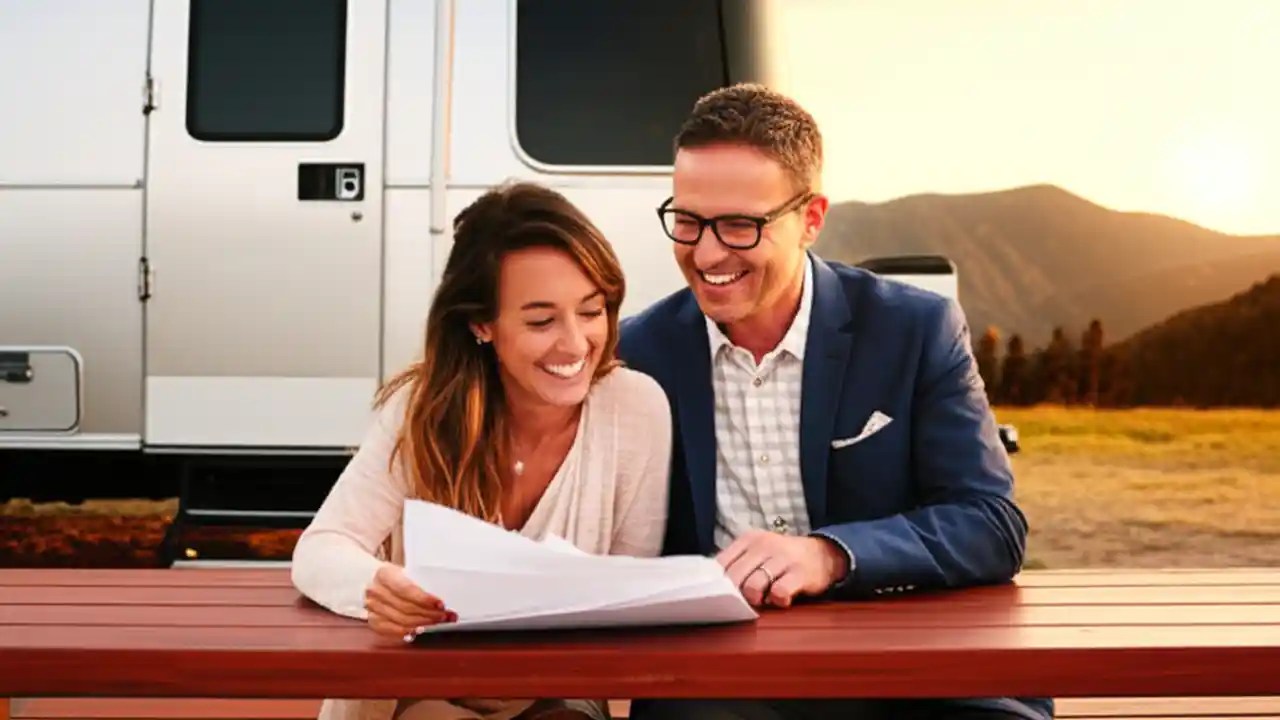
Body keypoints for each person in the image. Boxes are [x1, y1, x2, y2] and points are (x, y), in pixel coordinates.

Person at [617, 84, 1054, 720]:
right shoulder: (640, 352)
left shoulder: (914, 328)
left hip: (912, 659)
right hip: (726, 682)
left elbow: (989, 524)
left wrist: (830, 554)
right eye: (687, 221)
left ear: (812, 218)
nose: (706, 253)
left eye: (740, 225)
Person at [292, 181, 673, 720]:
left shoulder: (637, 408)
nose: (575, 343)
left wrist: (529, 675)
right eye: (542, 321)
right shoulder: (422, 407)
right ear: (480, 324)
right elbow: (321, 548)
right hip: (417, 684)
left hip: (557, 689)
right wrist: (379, 587)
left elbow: (629, 595)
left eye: (592, 311)